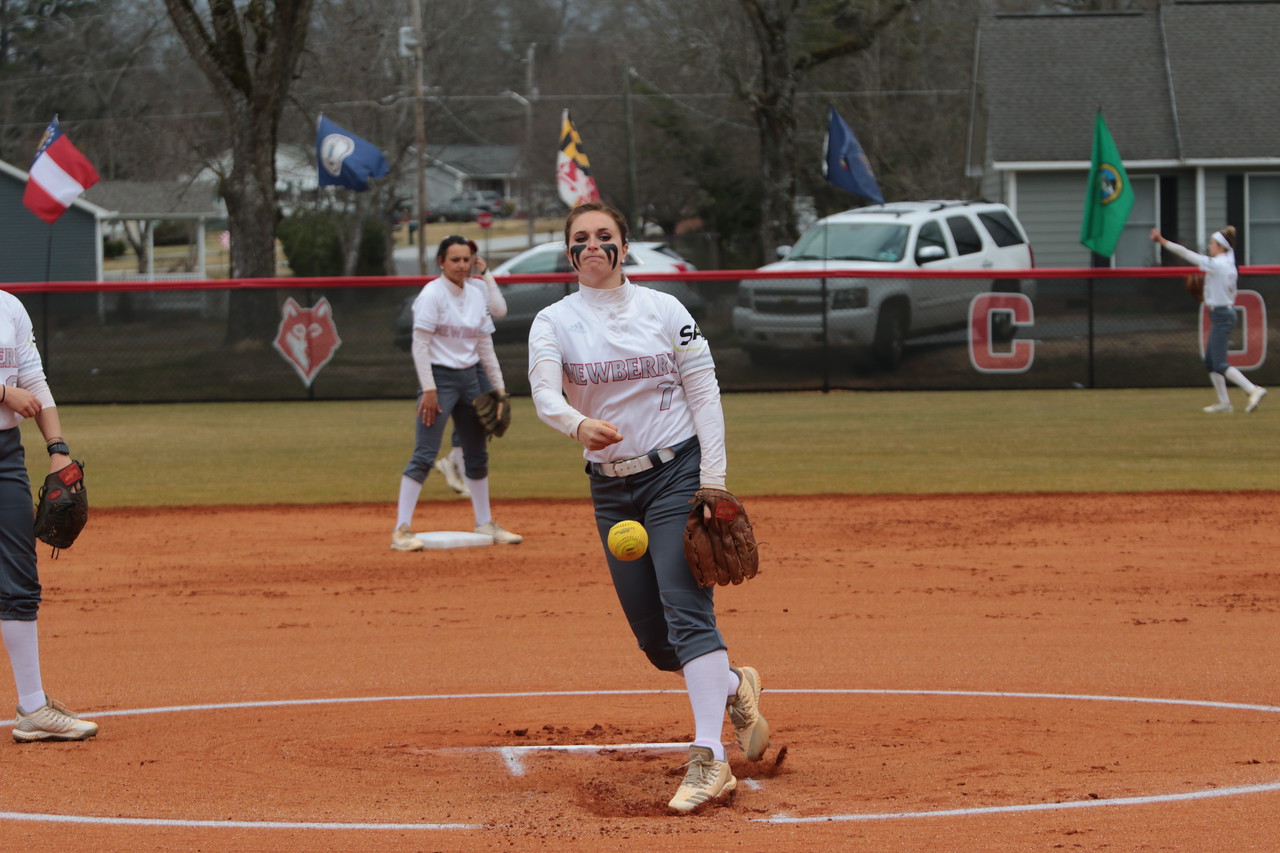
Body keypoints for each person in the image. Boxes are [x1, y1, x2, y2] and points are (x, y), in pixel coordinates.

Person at [527, 201, 769, 813]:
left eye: (604, 237)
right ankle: (736, 686)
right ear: (569, 252)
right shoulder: (553, 321)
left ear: (624, 247)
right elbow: (543, 395)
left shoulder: (665, 310)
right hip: (611, 488)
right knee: (658, 643)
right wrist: (578, 423)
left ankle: (709, 760)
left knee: (687, 611)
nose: (592, 247)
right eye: (580, 239)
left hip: (676, 475)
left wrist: (711, 480)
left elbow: (704, 391)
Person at [0, 290, 98, 742]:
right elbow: (16, 391)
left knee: (20, 575)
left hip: (4, 456)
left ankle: (33, 707)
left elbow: (35, 381)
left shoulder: (10, 307)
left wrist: (58, 450)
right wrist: (3, 392)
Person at [392, 236, 522, 550]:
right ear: (441, 262)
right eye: (455, 260)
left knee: (477, 454)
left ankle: (484, 523)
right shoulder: (432, 295)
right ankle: (401, 529)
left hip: (470, 380)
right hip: (439, 379)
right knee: (424, 454)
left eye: (466, 259)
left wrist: (499, 388)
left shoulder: (477, 292)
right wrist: (429, 389)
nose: (462, 265)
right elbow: (420, 345)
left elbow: (484, 346)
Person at [1151, 226, 1267, 413]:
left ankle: (1253, 389)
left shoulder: (1219, 264)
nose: (1209, 246)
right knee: (1211, 363)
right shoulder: (1227, 262)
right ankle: (1224, 403)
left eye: (1212, 243)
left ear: (1220, 246)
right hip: (1221, 313)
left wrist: (1163, 242)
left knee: (1219, 363)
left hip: (1222, 315)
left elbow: (1186, 254)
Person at [434, 240, 507, 497]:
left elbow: (500, 310)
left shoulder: (477, 286)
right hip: (459, 364)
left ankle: (454, 461)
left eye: (471, 256)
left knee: (485, 416)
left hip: (479, 361)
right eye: (461, 257)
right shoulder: (445, 290)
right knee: (476, 414)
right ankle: (456, 463)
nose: (466, 262)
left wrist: (487, 276)